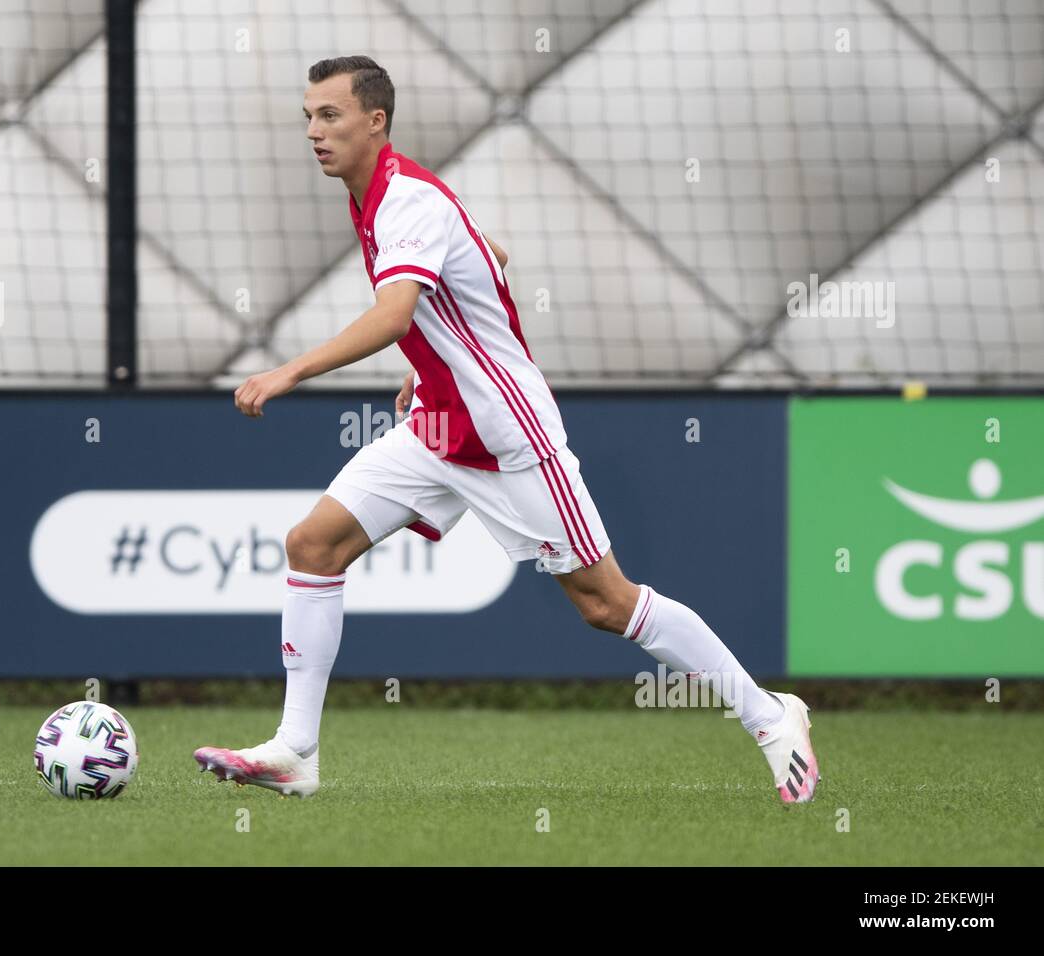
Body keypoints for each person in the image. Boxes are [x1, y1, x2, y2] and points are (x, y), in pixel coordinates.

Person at [194, 56, 819, 804]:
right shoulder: (378, 195)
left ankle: (771, 715)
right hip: (436, 424)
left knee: (605, 604)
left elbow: (397, 310)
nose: (313, 132)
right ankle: (296, 752)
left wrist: (289, 372)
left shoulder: (407, 200)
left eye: (329, 116)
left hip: (506, 433)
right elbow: (489, 255)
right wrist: (435, 355)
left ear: (375, 122)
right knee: (314, 544)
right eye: (307, 117)